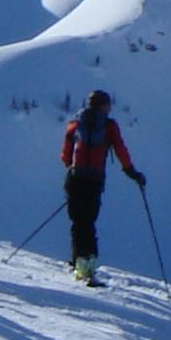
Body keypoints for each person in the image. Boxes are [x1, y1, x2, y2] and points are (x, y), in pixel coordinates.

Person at [60, 89, 144, 285]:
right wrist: (132, 173)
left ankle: (78, 261)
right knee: (89, 221)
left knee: (77, 221)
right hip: (94, 181)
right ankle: (88, 266)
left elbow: (65, 156)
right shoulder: (109, 126)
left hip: (75, 179)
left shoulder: (75, 123)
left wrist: (73, 166)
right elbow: (121, 150)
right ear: (104, 106)